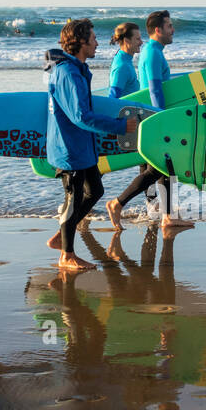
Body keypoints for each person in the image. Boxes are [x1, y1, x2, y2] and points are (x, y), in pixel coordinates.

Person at [43, 18, 138, 272]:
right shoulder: (69, 73)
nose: (97, 43)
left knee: (94, 190)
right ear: (81, 42)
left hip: (80, 147)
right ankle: (67, 254)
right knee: (73, 199)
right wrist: (120, 127)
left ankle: (62, 235)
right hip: (69, 149)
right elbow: (81, 116)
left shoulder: (76, 70)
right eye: (93, 39)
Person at [105, 10, 192, 231]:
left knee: (161, 167)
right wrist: (162, 116)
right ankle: (119, 203)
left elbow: (159, 83)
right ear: (158, 29)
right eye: (170, 26)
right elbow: (153, 88)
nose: (173, 30)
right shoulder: (153, 52)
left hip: (149, 116)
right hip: (154, 117)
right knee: (160, 168)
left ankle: (163, 213)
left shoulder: (152, 51)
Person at [107, 22, 142, 98]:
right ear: (126, 40)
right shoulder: (122, 66)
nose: (141, 42)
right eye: (138, 39)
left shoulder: (123, 58)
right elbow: (113, 98)